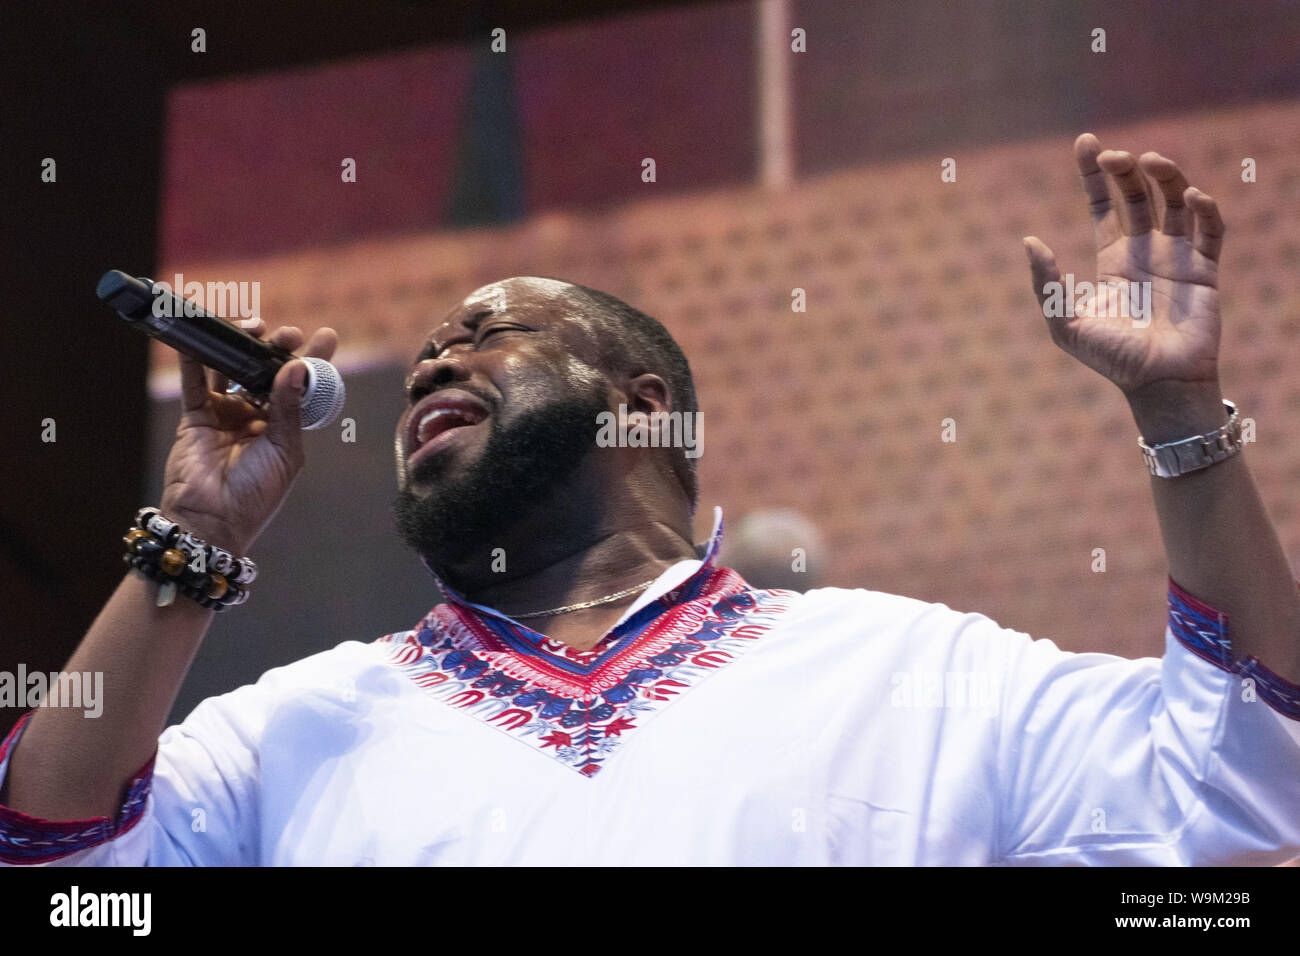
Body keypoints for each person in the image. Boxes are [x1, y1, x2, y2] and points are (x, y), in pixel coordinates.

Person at [1, 134, 1297, 865]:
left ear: (635, 403)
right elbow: (53, 855)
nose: (436, 361)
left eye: (487, 333)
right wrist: (196, 541)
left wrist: (1184, 420)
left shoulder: (911, 674)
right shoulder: (299, 728)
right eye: (429, 356)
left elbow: (1248, 777)